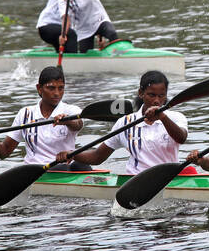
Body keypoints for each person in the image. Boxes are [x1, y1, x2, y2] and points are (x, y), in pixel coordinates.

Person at [55, 71, 186, 174]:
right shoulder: (125, 122)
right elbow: (97, 157)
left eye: (161, 96)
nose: (157, 101)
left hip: (169, 177)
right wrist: (72, 154)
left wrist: (163, 117)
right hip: (135, 179)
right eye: (152, 95)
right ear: (141, 93)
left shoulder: (176, 117)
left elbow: (181, 138)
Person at [0, 65, 84, 165]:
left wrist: (67, 121)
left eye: (61, 88)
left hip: (63, 168)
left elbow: (78, 124)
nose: (57, 93)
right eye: (51, 88)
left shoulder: (71, 110)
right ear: (39, 88)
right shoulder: (25, 114)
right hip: (33, 170)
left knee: (81, 166)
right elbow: (4, 152)